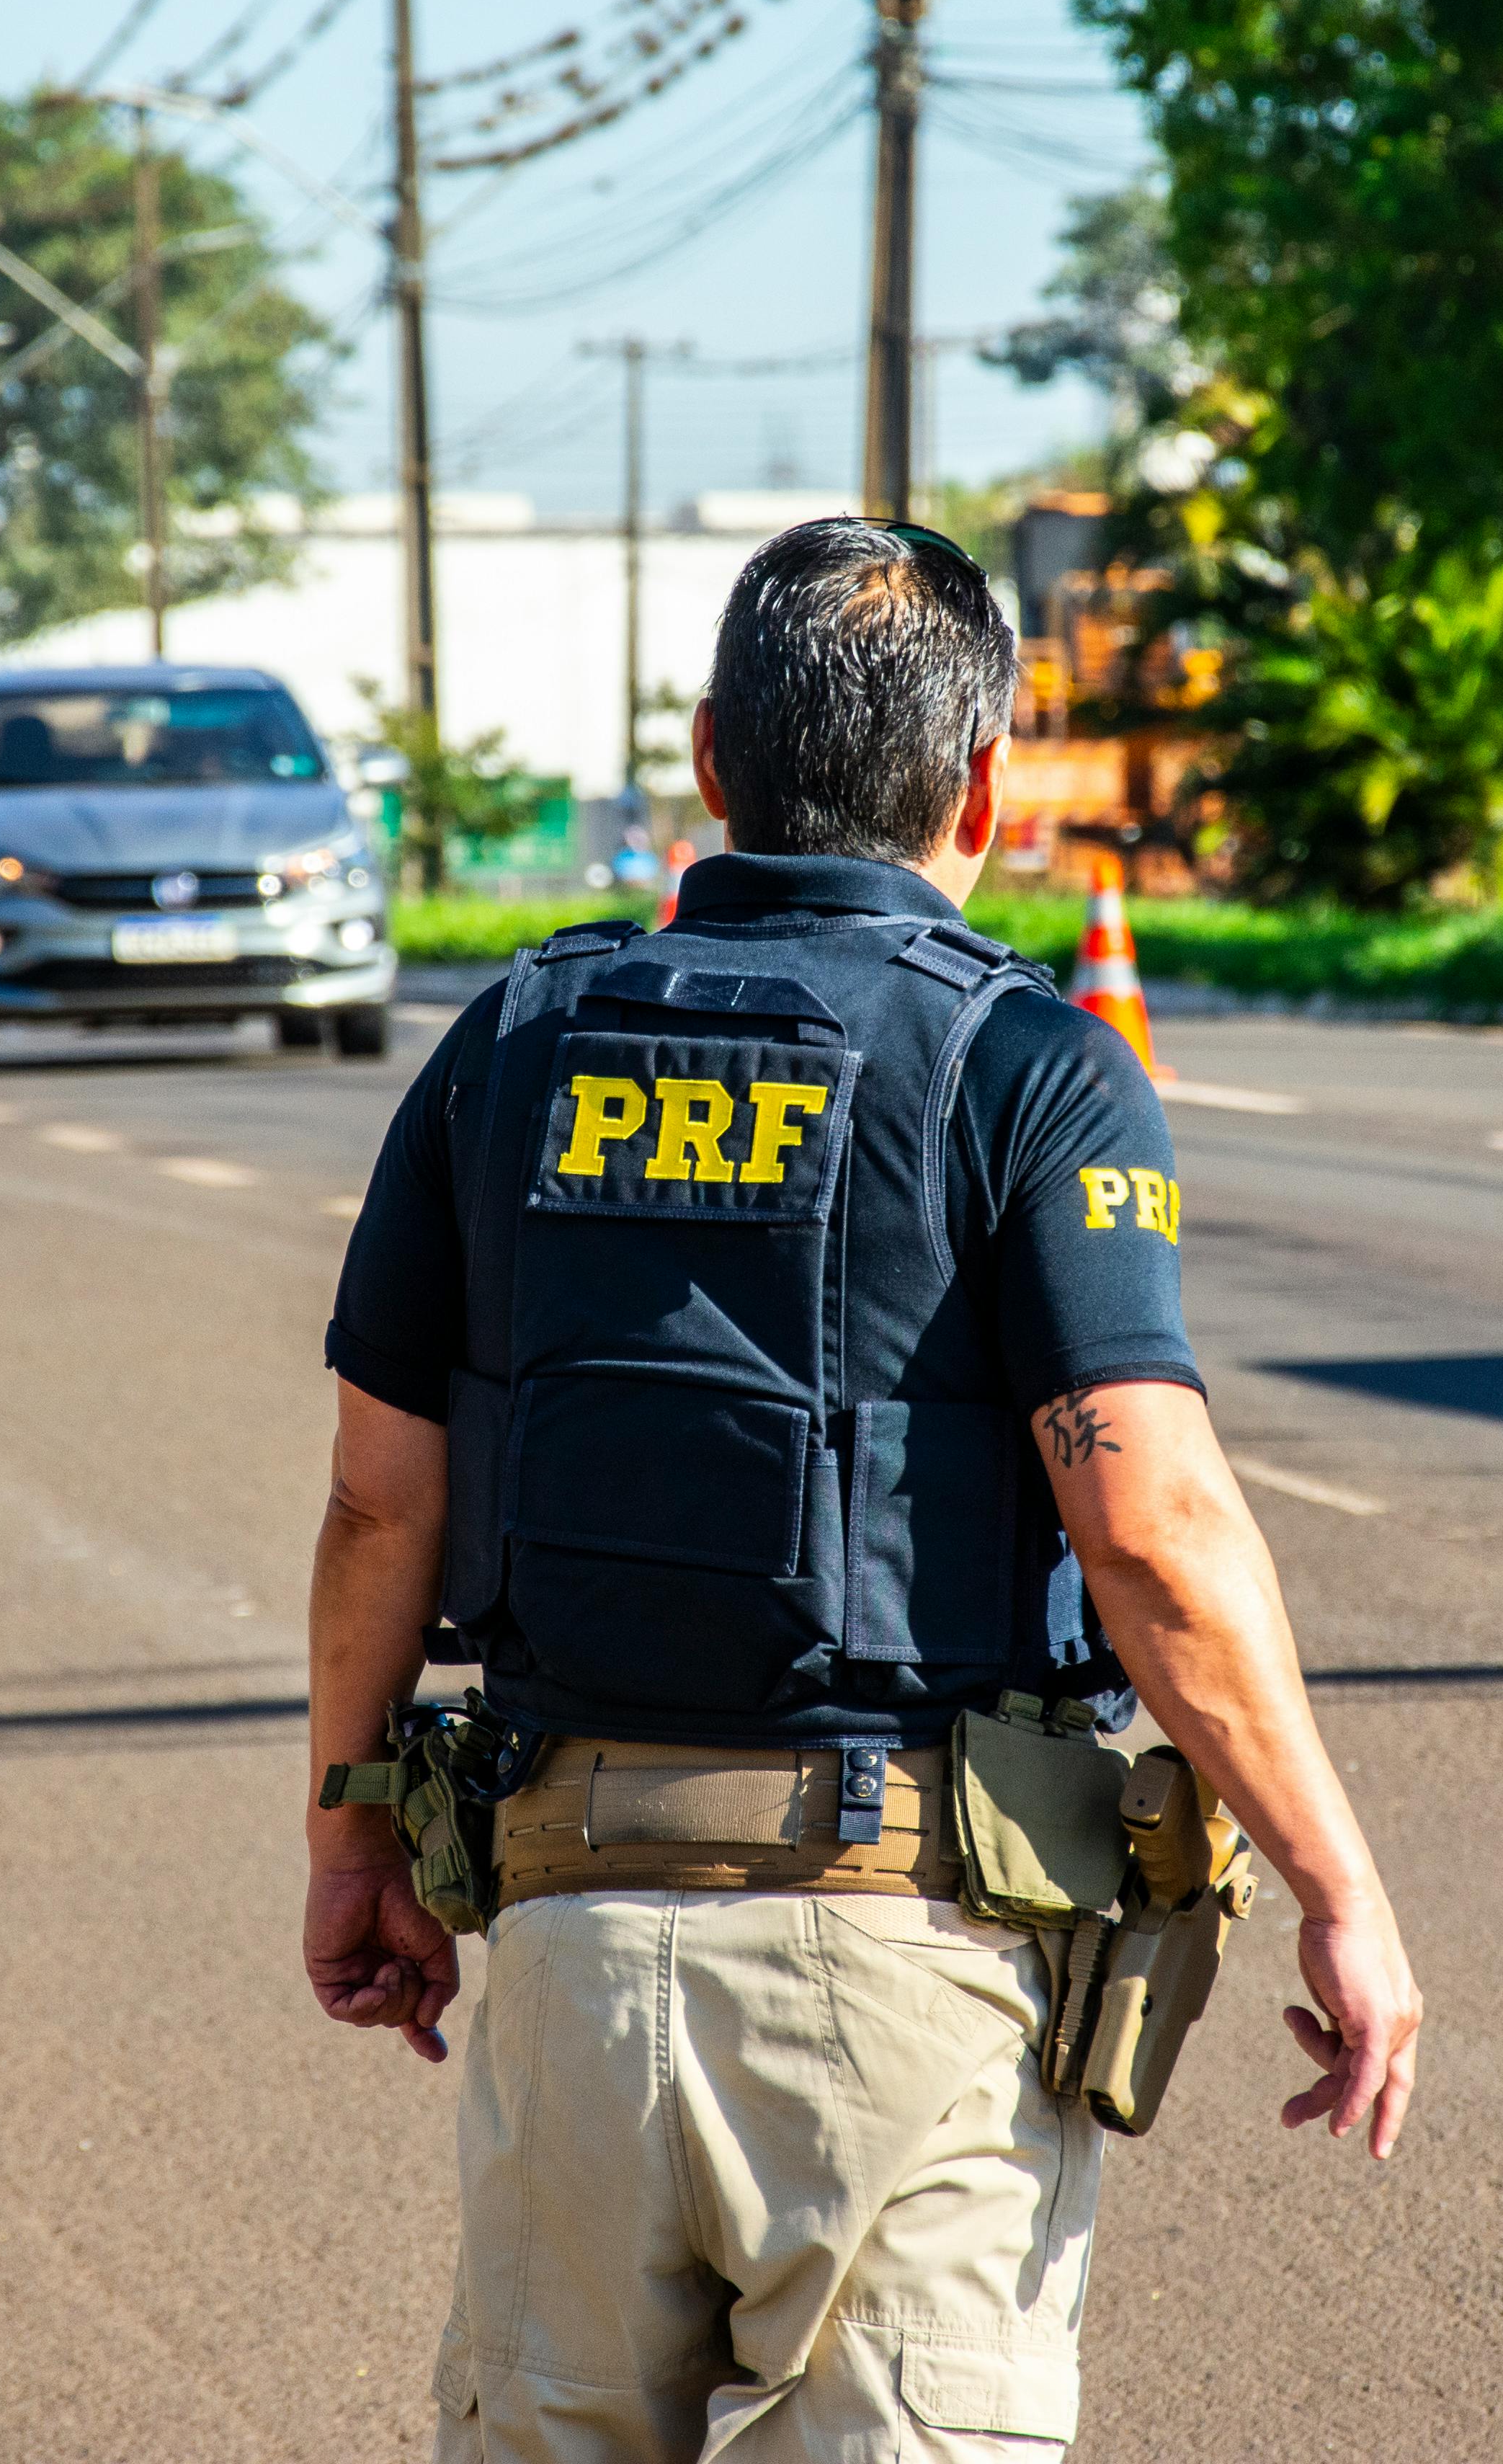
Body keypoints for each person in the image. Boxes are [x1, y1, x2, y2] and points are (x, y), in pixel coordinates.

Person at [307, 517, 1420, 2463]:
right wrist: (1336, 1881)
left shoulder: (511, 1043)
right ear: (984, 781)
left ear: (713, 762)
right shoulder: (1032, 1067)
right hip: (897, 1972)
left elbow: (380, 1509)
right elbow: (1147, 1525)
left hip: (569, 1951)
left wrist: (348, 1838)